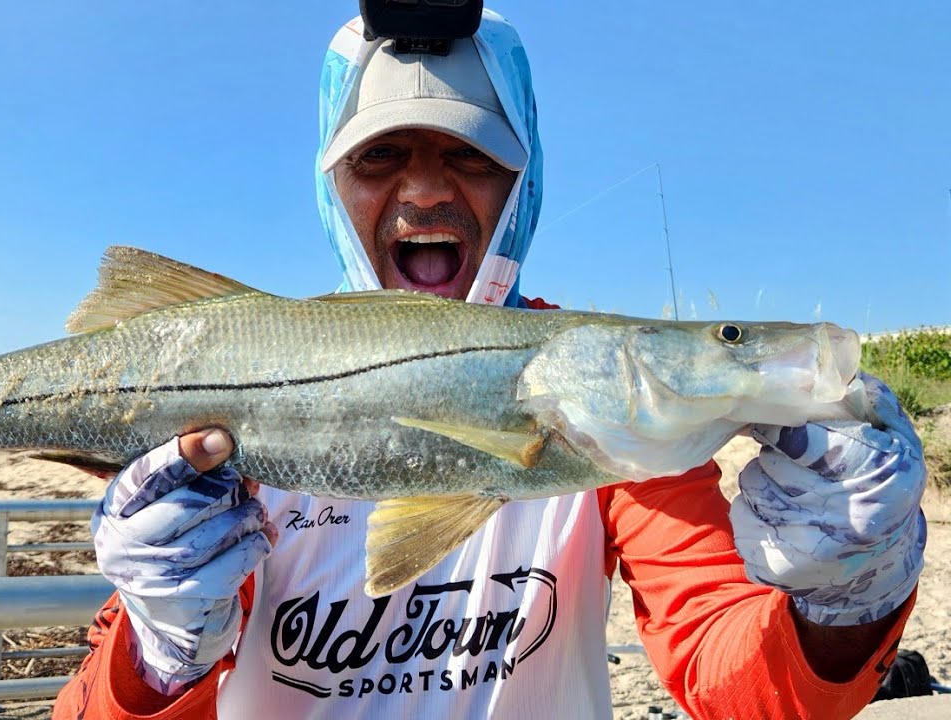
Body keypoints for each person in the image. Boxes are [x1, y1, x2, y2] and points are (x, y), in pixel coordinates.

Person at [54, 10, 926, 719]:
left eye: (472, 155)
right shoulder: (240, 380)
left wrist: (847, 602)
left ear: (525, 180)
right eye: (380, 157)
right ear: (334, 189)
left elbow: (738, 679)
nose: (428, 191)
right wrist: (157, 656)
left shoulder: (626, 437)